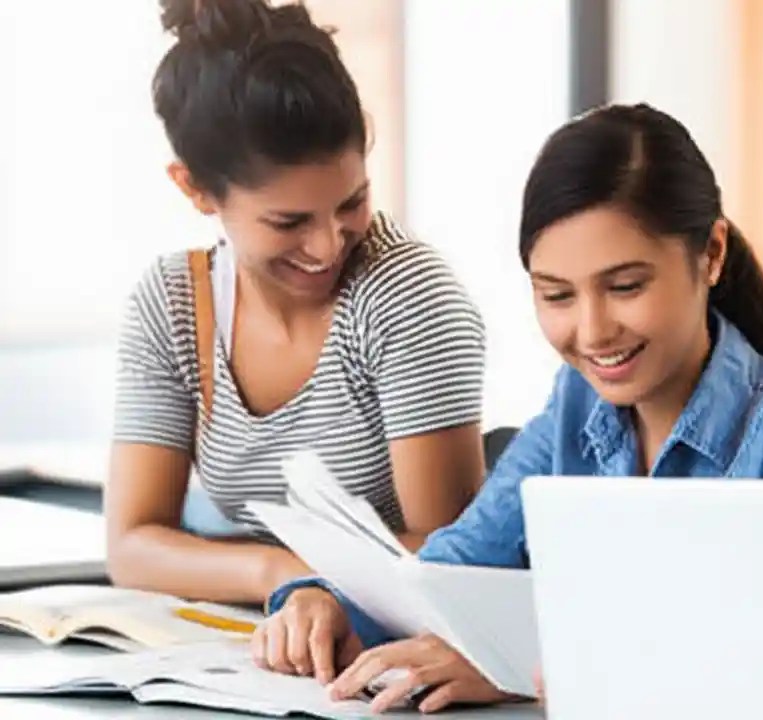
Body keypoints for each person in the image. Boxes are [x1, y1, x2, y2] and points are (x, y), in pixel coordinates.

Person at [251, 103, 763, 713]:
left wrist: (518, 664)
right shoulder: (576, 405)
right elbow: (451, 567)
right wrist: (323, 602)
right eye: (556, 296)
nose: (593, 331)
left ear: (711, 254)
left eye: (626, 287)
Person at [106, 0, 487, 606]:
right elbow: (132, 547)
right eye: (289, 222)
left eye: (351, 203)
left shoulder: (405, 295)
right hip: (273, 629)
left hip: (391, 636)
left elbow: (451, 561)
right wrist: (279, 575)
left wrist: (302, 583)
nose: (328, 246)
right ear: (195, 189)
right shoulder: (173, 305)